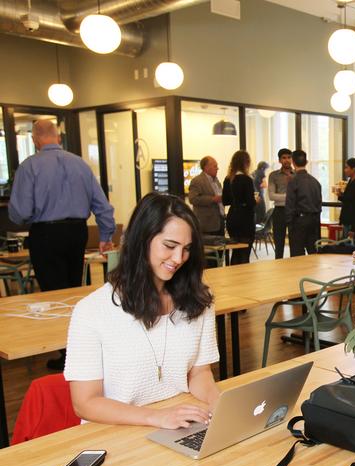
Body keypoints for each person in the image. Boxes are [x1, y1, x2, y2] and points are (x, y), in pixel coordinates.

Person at [65, 193, 220, 429]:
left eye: (187, 249)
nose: (178, 259)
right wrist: (157, 417)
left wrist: (219, 404)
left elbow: (199, 374)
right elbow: (85, 403)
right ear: (141, 240)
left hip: (177, 424)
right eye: (169, 246)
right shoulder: (91, 311)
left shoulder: (198, 301)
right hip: (115, 431)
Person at [9, 119, 116, 371]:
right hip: (77, 232)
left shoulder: (29, 166)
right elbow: (102, 205)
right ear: (58, 137)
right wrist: (105, 234)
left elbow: (20, 212)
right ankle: (80, 349)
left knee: (53, 295)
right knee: (71, 293)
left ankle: (68, 354)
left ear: (35, 140)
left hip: (46, 234)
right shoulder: (80, 164)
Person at [222, 150, 258, 264]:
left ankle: (233, 276)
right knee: (244, 252)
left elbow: (225, 201)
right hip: (245, 219)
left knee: (236, 251)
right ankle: (243, 278)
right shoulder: (247, 180)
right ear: (246, 163)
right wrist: (255, 200)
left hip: (232, 218)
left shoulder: (228, 179)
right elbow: (250, 202)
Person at [285, 150, 322, 256]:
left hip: (298, 221)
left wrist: (289, 223)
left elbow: (290, 204)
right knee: (313, 253)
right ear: (306, 162)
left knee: (297, 255)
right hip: (314, 220)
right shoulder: (315, 182)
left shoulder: (293, 181)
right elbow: (319, 203)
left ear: (293, 162)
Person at [188, 156, 225, 237]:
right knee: (210, 249)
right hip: (207, 225)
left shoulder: (217, 181)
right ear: (206, 167)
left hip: (220, 221)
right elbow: (193, 199)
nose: (217, 168)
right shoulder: (197, 181)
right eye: (215, 166)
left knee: (221, 248)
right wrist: (212, 199)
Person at [267, 148, 294, 259]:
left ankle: (295, 266)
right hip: (279, 210)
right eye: (284, 158)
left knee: (295, 243)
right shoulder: (273, 175)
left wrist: (281, 197)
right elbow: (271, 196)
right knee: (279, 243)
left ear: (292, 159)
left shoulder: (297, 174)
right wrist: (290, 197)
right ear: (279, 160)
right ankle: (278, 265)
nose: (287, 160)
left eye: (289, 157)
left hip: (293, 211)